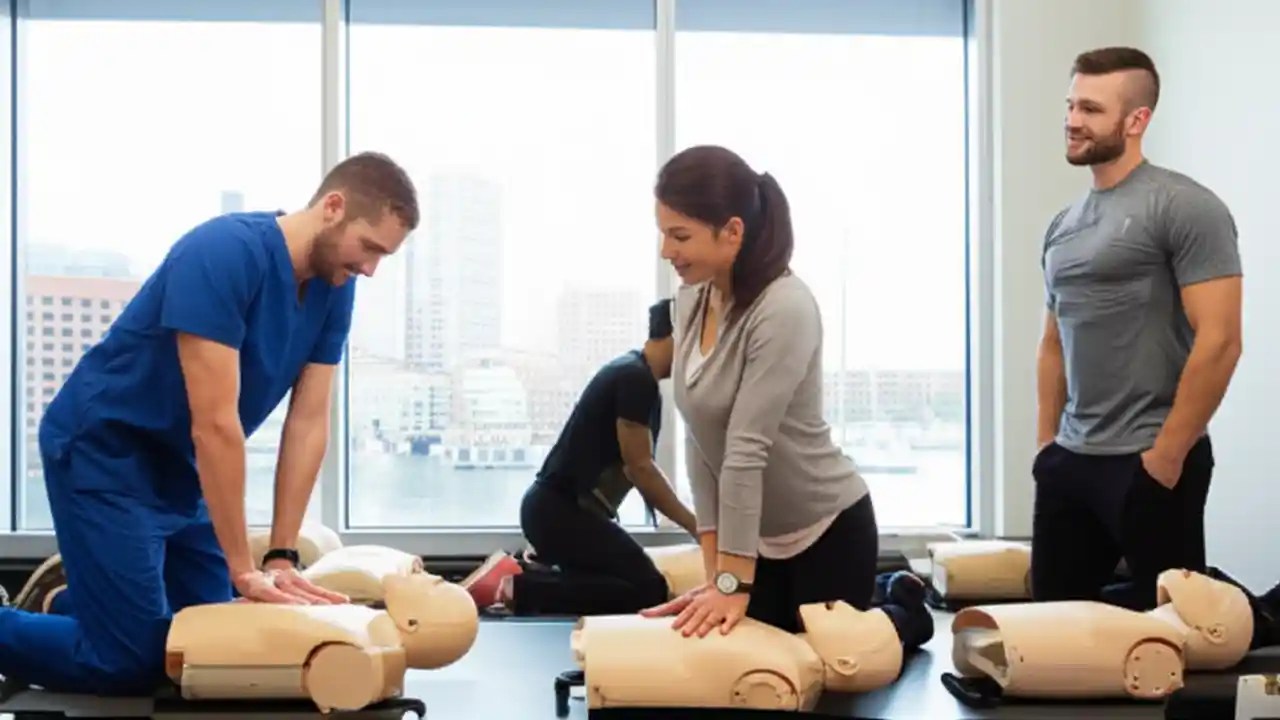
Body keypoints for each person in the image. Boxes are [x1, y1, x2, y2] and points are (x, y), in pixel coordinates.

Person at [0, 151, 420, 695]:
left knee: (201, 644)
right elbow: (215, 425)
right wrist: (244, 572)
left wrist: (281, 557)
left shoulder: (335, 287)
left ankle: (76, 600)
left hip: (179, 467)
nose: (370, 268)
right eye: (369, 248)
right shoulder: (222, 253)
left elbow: (308, 423)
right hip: (105, 452)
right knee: (131, 662)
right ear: (333, 207)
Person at [636, 144, 933, 655]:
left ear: (732, 232)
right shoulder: (693, 300)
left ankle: (905, 611)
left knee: (834, 665)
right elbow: (701, 440)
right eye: (663, 233)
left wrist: (734, 584)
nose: (666, 250)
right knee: (753, 664)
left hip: (826, 529)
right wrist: (718, 577)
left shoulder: (784, 307)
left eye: (679, 235)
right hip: (754, 541)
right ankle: (883, 599)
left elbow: (746, 451)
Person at [1032, 47, 1243, 611]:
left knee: (1174, 639)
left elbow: (1221, 339)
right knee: (1053, 638)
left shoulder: (1185, 206)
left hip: (1148, 459)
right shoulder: (1064, 225)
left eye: (1092, 109)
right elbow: (1054, 343)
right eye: (1072, 104)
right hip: (1072, 462)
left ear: (1136, 121)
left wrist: (1167, 456)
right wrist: (1046, 446)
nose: (1073, 120)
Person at [462, 300, 699, 616]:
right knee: (649, 589)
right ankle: (517, 585)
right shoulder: (635, 379)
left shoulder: (632, 372)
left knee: (619, 581)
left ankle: (531, 573)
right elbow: (640, 467)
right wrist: (697, 526)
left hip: (556, 511)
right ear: (680, 334)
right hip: (559, 513)